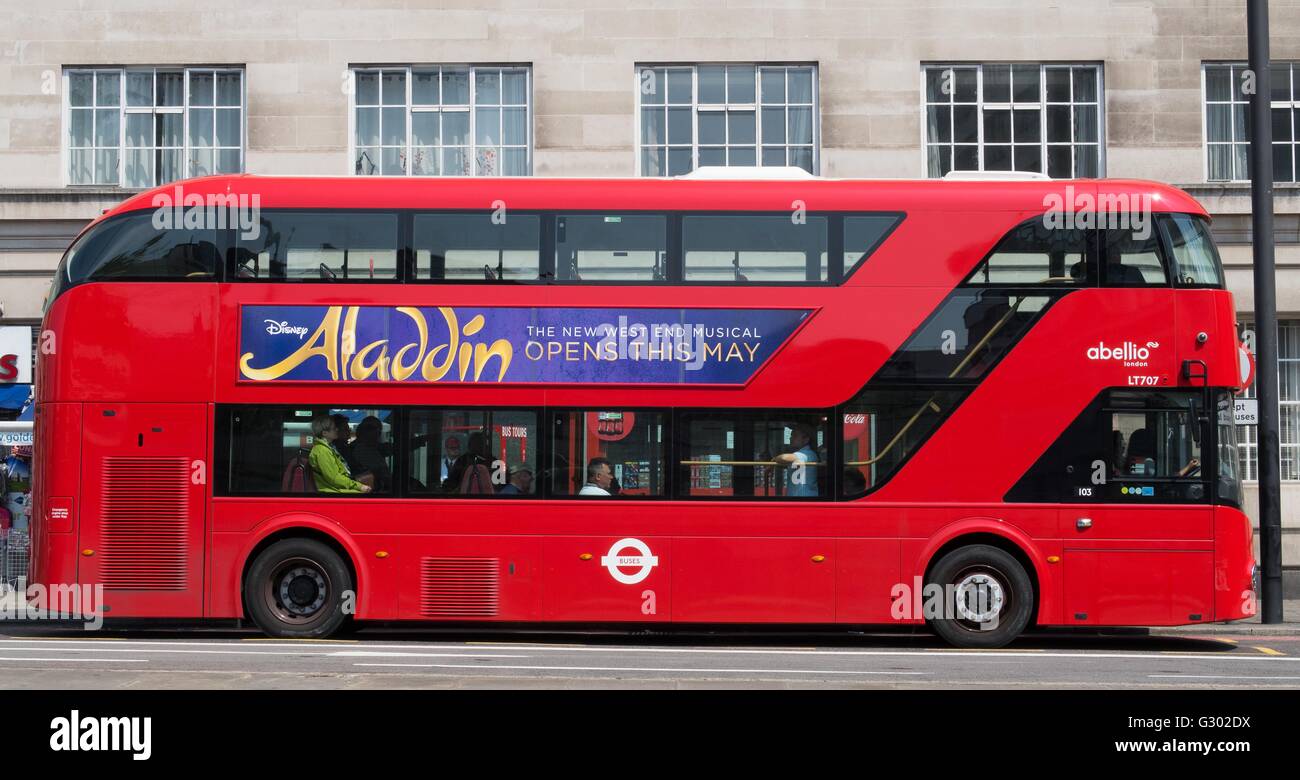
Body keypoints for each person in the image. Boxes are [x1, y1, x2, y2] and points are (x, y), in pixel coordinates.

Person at [308, 415, 370, 494]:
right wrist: (359, 486)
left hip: (334, 488)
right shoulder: (322, 451)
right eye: (334, 429)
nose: (337, 430)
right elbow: (334, 478)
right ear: (324, 433)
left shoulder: (327, 449)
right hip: (332, 490)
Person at [772, 423, 819, 497]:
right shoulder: (800, 454)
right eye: (791, 435)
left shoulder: (807, 454)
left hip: (804, 500)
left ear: (806, 440)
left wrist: (774, 459)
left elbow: (784, 458)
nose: (791, 438)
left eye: (795, 435)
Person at [348, 416, 392, 492]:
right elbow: (382, 474)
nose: (378, 434)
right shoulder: (361, 449)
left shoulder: (373, 447)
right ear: (364, 431)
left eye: (379, 430)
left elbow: (394, 448)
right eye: (375, 430)